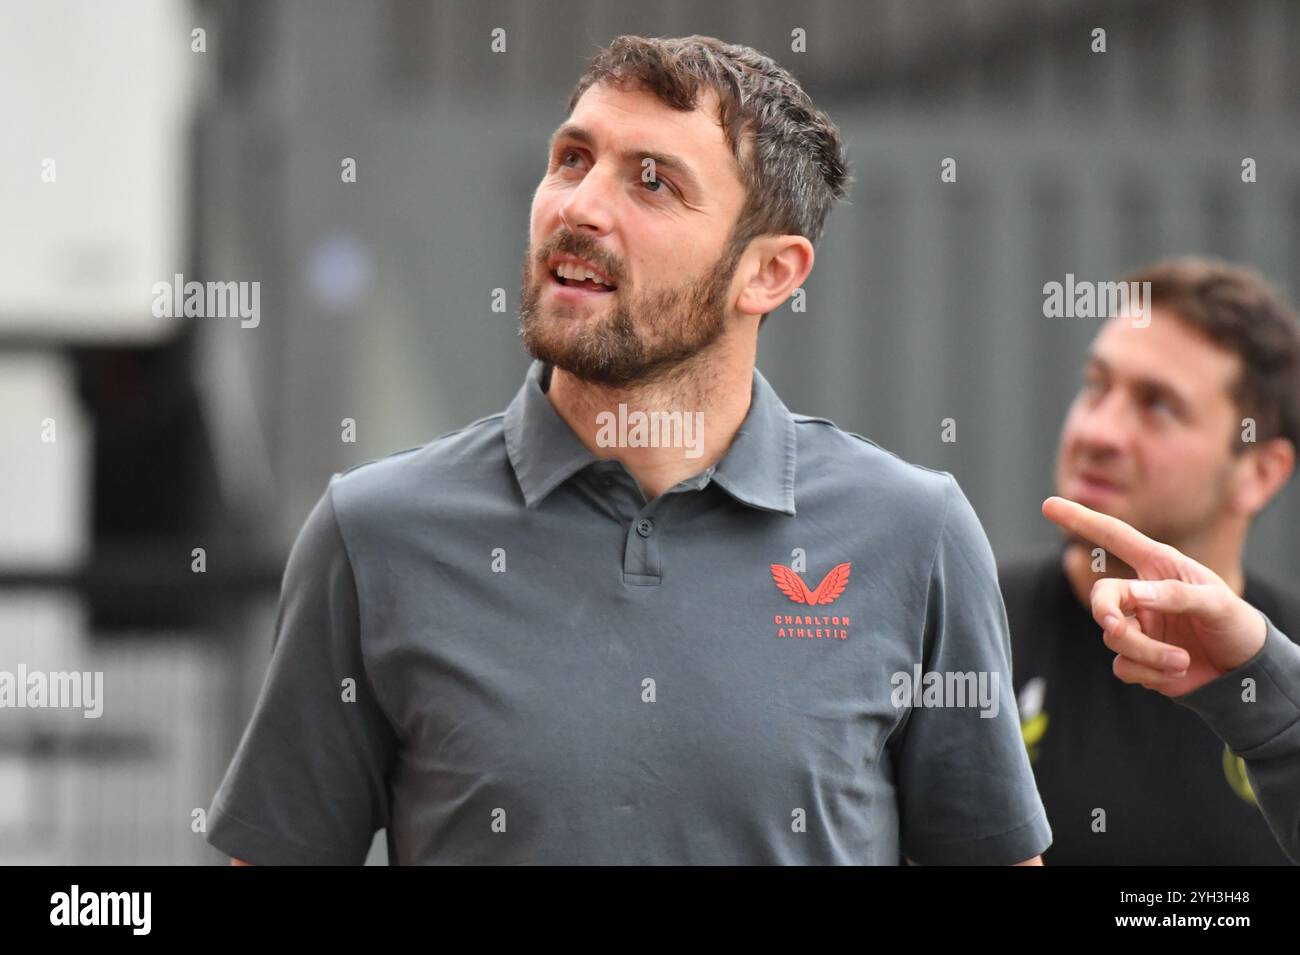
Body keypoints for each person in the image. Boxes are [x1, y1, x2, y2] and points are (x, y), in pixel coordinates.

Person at [207, 34, 1049, 865]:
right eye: (572, 159)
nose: (578, 207)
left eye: (653, 181)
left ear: (771, 273)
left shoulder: (913, 535)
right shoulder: (373, 535)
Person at [1001, 257, 1300, 864]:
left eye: (1158, 405)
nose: (1099, 432)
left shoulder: (1287, 679)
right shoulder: (965, 625)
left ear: (1259, 472)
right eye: (1096, 385)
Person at [1039, 495, 1300, 865]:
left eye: (1161, 430)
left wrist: (1273, 697)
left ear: (1262, 471)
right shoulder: (978, 619)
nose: (1099, 436)